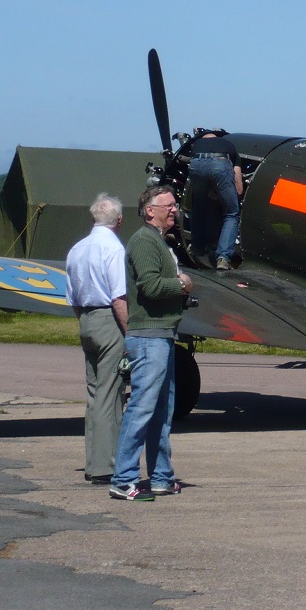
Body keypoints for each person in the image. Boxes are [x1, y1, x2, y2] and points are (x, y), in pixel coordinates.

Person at [110, 185, 193, 501]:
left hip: (161, 335)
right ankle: (123, 479)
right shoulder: (144, 241)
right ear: (149, 211)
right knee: (142, 408)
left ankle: (161, 477)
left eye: (174, 204)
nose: (174, 209)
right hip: (148, 338)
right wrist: (181, 285)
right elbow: (151, 287)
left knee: (161, 410)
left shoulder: (158, 240)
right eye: (167, 205)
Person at [65, 193, 129, 485]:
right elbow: (118, 298)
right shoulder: (113, 248)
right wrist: (130, 333)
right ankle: (106, 465)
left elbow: (73, 297)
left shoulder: (77, 249)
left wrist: (85, 320)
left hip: (86, 319)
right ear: (119, 220)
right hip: (108, 319)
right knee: (110, 395)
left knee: (94, 394)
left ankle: (93, 461)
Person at [187, 130, 243, 271]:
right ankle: (223, 257)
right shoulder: (228, 145)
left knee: (198, 208)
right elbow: (239, 187)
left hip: (196, 164)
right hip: (221, 164)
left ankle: (197, 249)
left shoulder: (197, 145)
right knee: (231, 213)